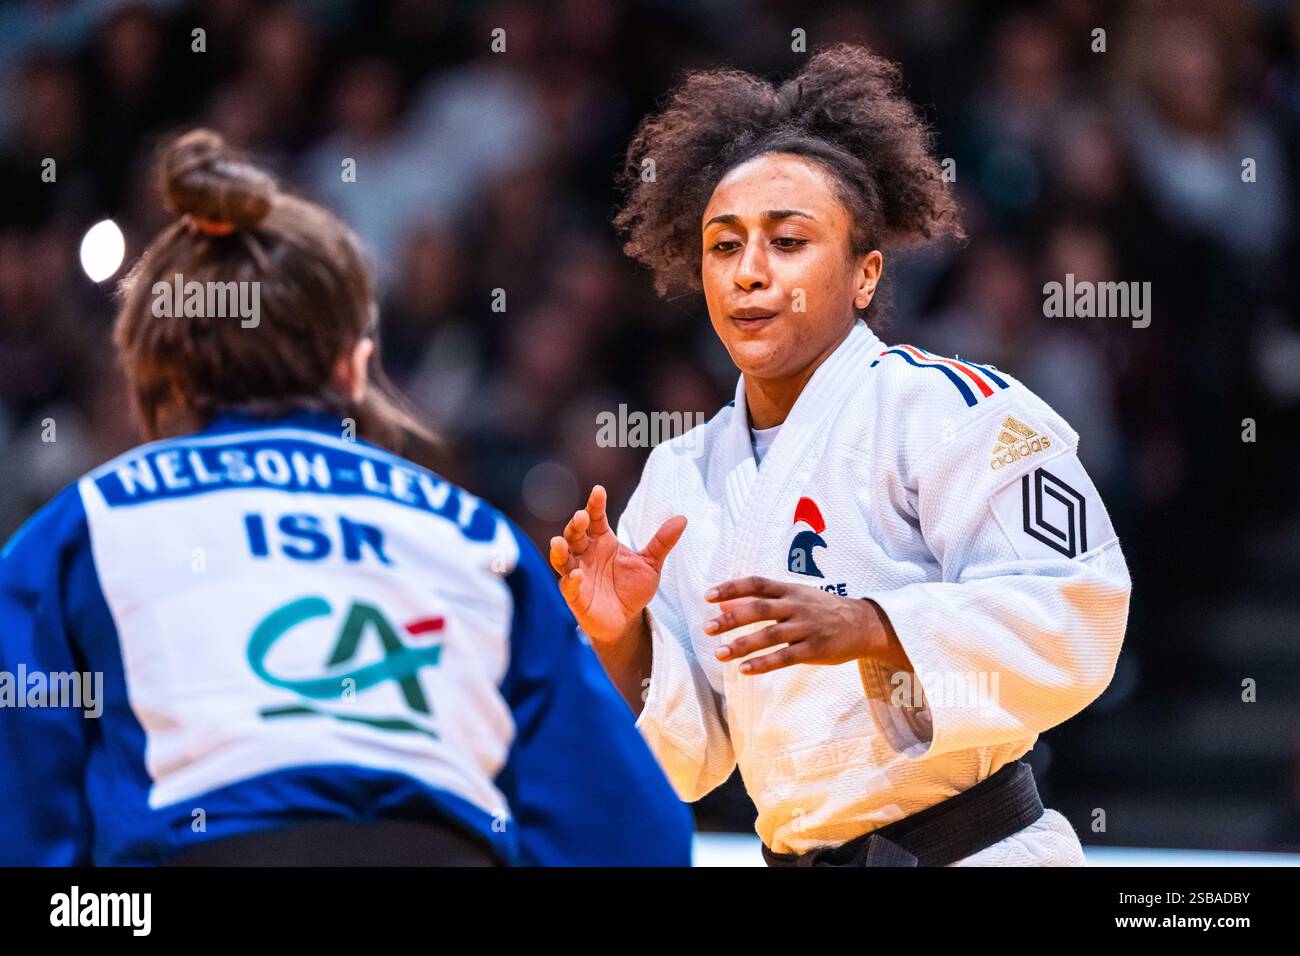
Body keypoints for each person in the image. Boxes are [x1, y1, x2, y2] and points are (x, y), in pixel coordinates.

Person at [0, 129, 692, 867]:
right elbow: (633, 836)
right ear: (353, 363)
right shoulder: (471, 537)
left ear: (152, 374)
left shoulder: (85, 528)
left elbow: (23, 822)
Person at [549, 45, 1132, 866]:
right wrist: (619, 639)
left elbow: (1080, 613)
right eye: (724, 247)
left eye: (788, 242)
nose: (750, 272)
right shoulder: (681, 473)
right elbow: (688, 759)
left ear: (865, 275)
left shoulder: (947, 408)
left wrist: (873, 626)